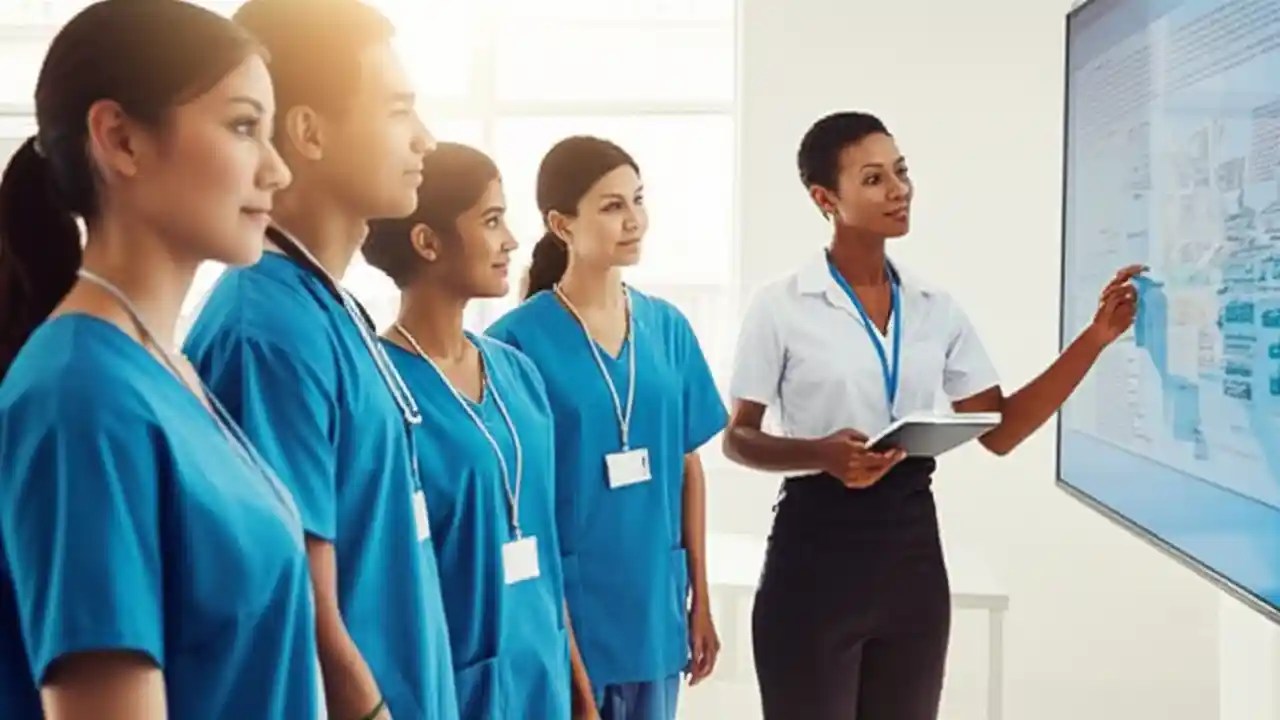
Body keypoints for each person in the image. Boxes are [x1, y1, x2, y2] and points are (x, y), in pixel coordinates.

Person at [722, 110, 1141, 720]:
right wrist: (821, 454)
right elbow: (739, 438)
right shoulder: (781, 305)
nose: (899, 189)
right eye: (873, 179)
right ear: (824, 199)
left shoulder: (933, 307)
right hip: (813, 562)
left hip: (911, 563)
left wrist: (1095, 338)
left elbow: (1000, 431)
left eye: (901, 171)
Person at [0, 2, 313, 718]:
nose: (277, 170)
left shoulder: (166, 373)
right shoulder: (81, 398)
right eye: (244, 127)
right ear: (121, 139)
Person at [182, 1, 454, 718]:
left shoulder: (330, 307)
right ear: (308, 132)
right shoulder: (264, 334)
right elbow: (298, 600)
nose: (425, 139)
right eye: (398, 111)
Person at [487, 136, 727, 720]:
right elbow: (515, 499)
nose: (634, 220)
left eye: (638, 200)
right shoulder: (513, 344)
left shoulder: (667, 328)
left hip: (656, 607)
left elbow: (688, 467)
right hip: (572, 612)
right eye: (612, 206)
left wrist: (701, 598)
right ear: (561, 224)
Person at [363, 142, 572, 719]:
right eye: (492, 220)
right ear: (427, 242)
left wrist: (576, 685)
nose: (512, 240)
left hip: (541, 677)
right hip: (442, 688)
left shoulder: (517, 374)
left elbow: (546, 545)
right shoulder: (379, 388)